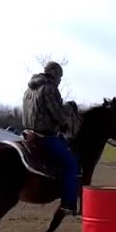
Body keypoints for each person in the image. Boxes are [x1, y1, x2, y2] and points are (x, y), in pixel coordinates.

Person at [22, 61, 81, 215]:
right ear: (54, 74)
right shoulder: (49, 88)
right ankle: (68, 203)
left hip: (28, 134)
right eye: (60, 77)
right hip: (44, 136)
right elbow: (59, 115)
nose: (60, 81)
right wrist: (69, 107)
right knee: (71, 163)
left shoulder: (29, 89)